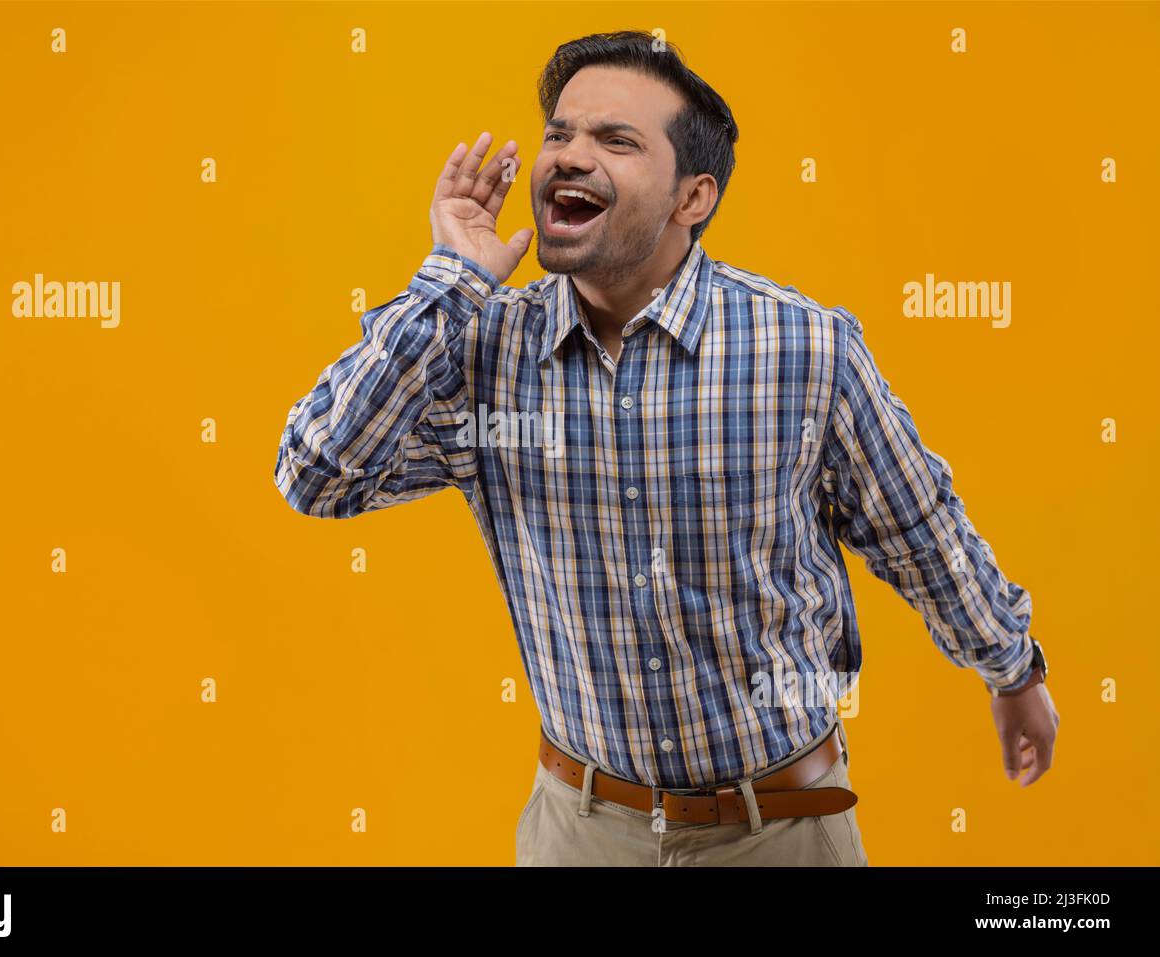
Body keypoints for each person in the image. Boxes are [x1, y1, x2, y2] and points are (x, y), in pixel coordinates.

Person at [273, 31, 1058, 866]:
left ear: (693, 196)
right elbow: (315, 474)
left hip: (782, 828)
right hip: (579, 832)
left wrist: (1013, 670)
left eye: (615, 140)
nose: (570, 157)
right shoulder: (478, 345)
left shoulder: (803, 348)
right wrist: (450, 279)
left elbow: (919, 529)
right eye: (558, 134)